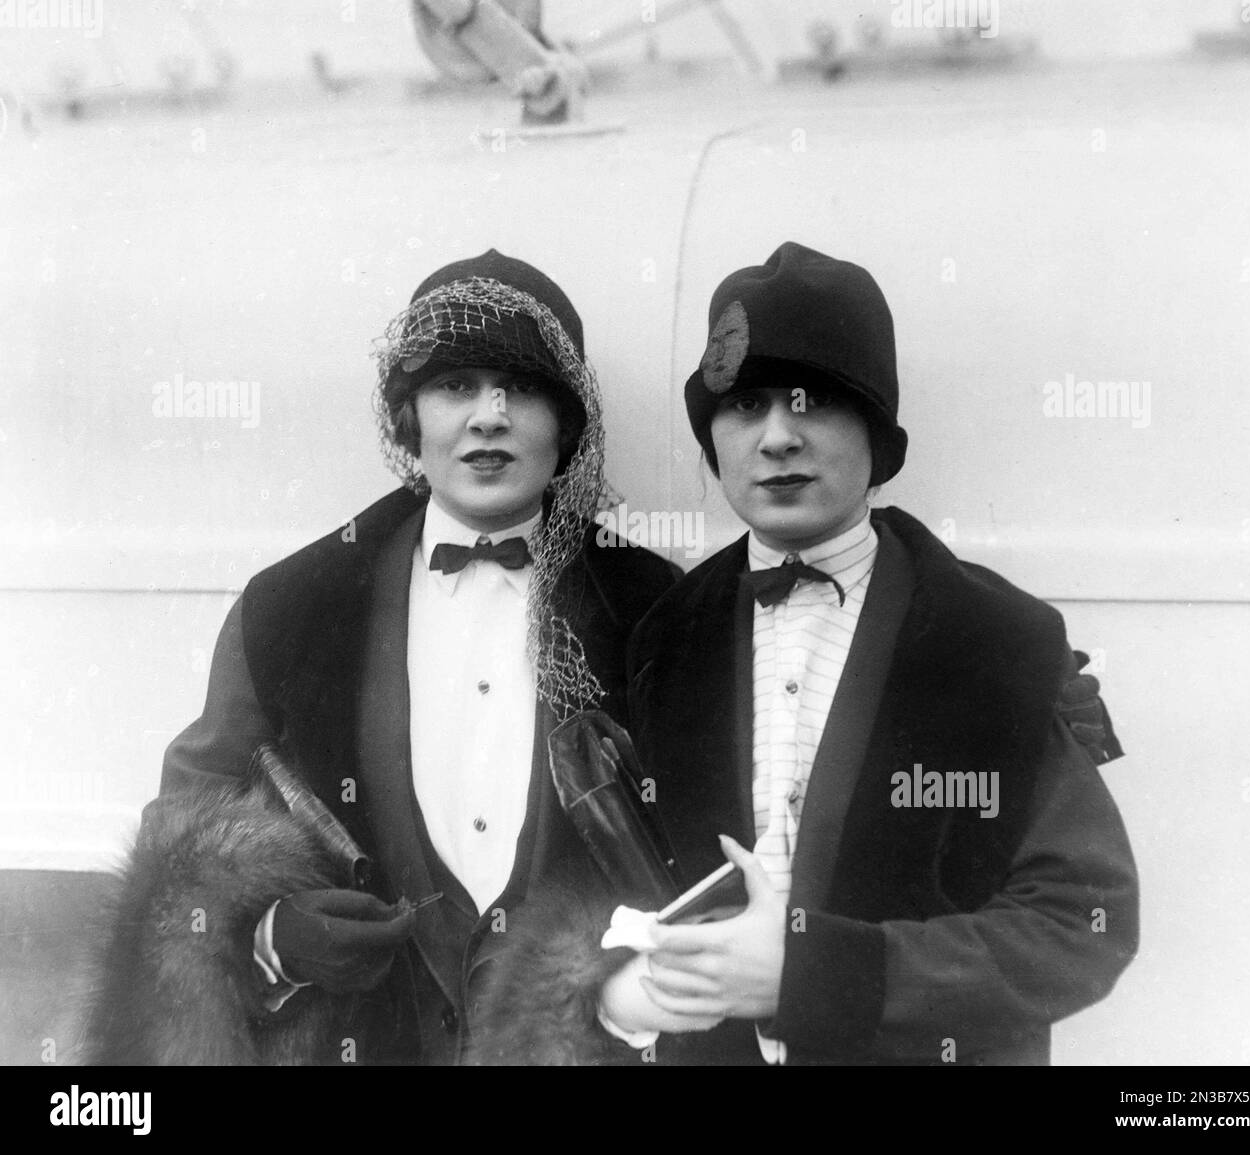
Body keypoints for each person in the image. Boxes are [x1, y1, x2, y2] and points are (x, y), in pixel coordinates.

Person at [469, 241, 1137, 1066]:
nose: (778, 436)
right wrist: (608, 990)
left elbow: (1081, 920)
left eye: (812, 400)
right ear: (713, 440)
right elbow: (594, 884)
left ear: (878, 433)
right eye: (746, 406)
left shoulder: (988, 637)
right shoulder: (664, 636)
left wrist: (813, 972)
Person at [82, 250, 681, 1065]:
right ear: (409, 417)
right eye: (455, 386)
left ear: (568, 424)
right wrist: (267, 938)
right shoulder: (292, 608)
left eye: (525, 388)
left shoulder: (652, 610)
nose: (490, 417)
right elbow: (180, 868)